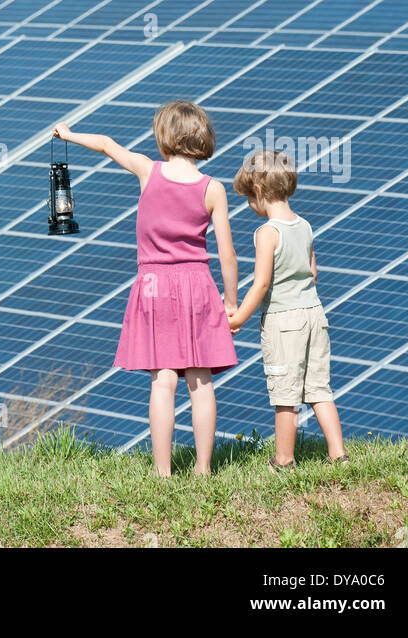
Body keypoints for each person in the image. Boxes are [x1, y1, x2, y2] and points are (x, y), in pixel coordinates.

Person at [53, 99, 238, 475]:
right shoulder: (213, 189)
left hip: (154, 285)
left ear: (164, 137)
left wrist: (68, 135)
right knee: (201, 381)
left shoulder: (147, 171)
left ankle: (162, 472)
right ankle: (203, 469)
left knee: (163, 380)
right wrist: (231, 302)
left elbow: (106, 143)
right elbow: (228, 253)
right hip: (198, 286)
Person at [228, 148, 348, 470]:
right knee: (319, 389)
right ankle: (339, 455)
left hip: (284, 322)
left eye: (248, 199)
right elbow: (313, 273)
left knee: (285, 395)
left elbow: (261, 284)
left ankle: (283, 460)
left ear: (259, 192)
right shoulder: (305, 227)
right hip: (314, 314)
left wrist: (238, 316)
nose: (250, 207)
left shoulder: (268, 233)